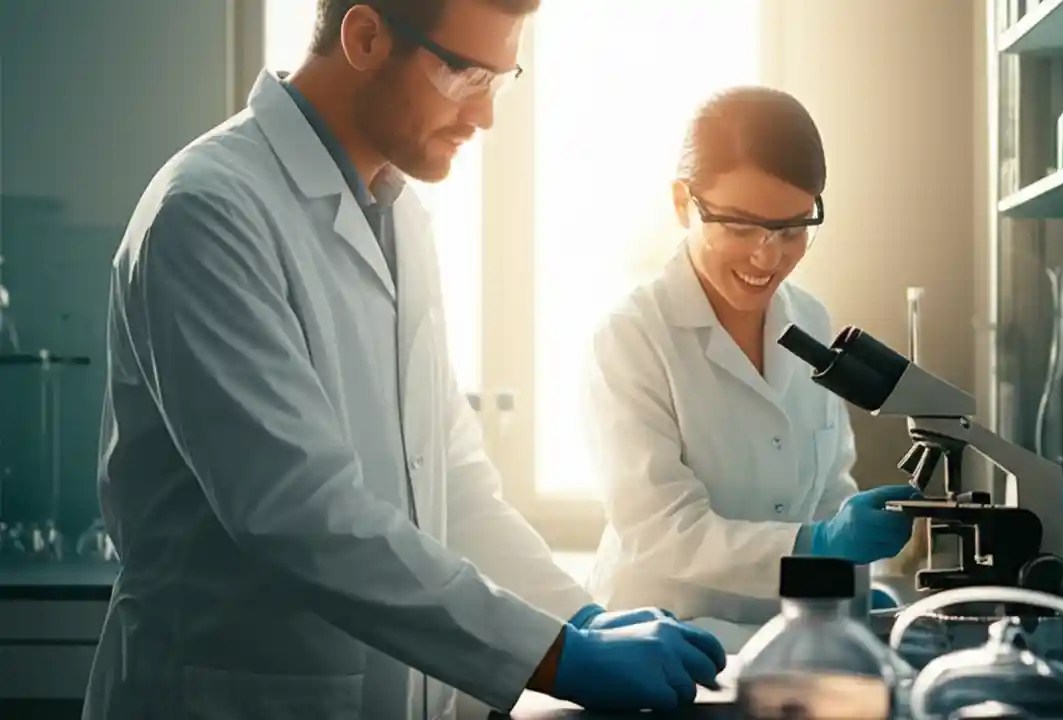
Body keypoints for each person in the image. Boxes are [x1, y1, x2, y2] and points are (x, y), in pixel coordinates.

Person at [84, 1, 725, 718]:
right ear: (364, 38)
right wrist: (555, 657)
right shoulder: (208, 211)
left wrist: (576, 618)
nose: (485, 116)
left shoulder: (399, 214)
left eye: (499, 80)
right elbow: (299, 514)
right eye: (465, 76)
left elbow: (448, 477)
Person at [583, 87, 918, 649]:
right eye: (740, 227)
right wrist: (814, 546)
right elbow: (661, 529)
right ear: (682, 203)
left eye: (792, 229)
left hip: (788, 644)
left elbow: (830, 490)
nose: (767, 256)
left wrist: (854, 589)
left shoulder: (810, 319)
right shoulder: (632, 336)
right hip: (666, 646)